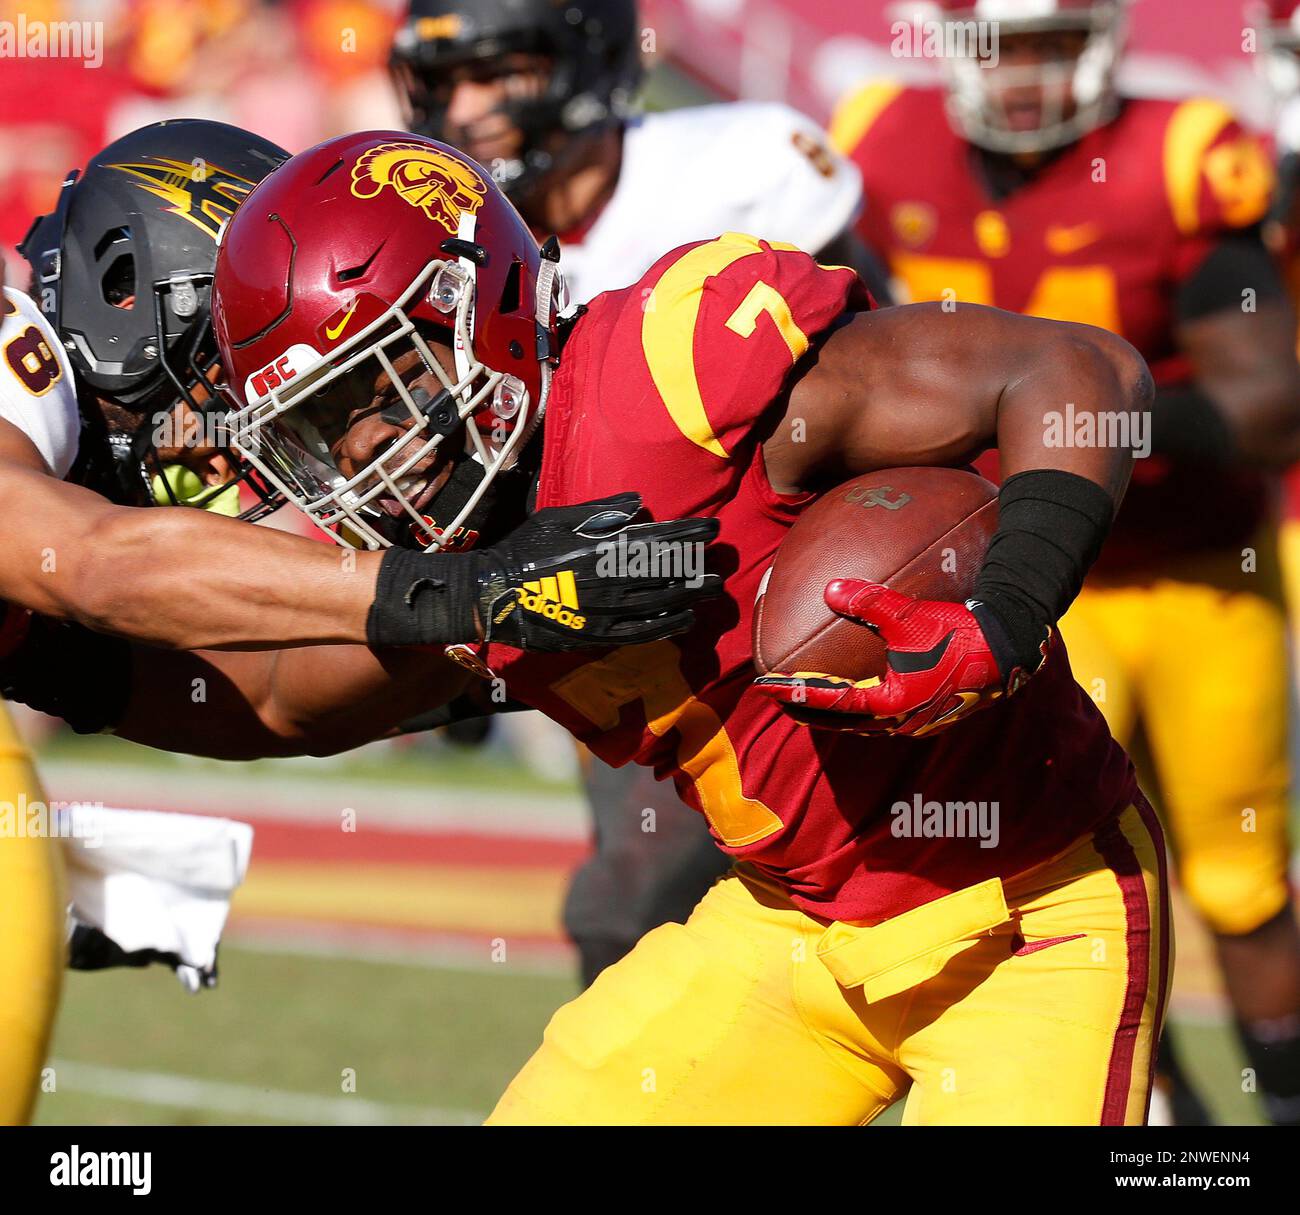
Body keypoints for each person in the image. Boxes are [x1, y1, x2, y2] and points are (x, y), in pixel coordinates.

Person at [120, 130, 1161, 1123]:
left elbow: (1081, 374)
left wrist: (1003, 613)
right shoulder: (463, 563)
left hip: (1028, 909)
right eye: (315, 428)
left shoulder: (673, 371)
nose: (359, 456)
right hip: (788, 928)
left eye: (369, 392)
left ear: (468, 313)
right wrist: (50, 655)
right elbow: (275, 703)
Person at [0, 119, 719, 1123]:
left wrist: (491, 633)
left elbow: (269, 703)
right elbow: (84, 561)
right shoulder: (12, 350)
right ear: (126, 288)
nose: (222, 461)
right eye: (217, 387)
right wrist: (461, 591)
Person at [832, 0, 1300, 1128]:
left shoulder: (1179, 161)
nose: (1026, 74)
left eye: (1049, 42)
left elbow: (1271, 406)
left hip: (1191, 571)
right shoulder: (879, 144)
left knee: (1239, 884)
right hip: (1025, 582)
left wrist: (1080, 419)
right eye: (1002, 42)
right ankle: (1165, 1118)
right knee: (1055, 880)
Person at [390, 0, 887, 985]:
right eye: (447, 83)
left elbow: (880, 370)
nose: (468, 108)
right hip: (609, 621)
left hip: (794, 587)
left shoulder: (744, 166)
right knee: (684, 932)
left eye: (501, 73)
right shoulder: (443, 230)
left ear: (587, 58)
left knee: (643, 915)